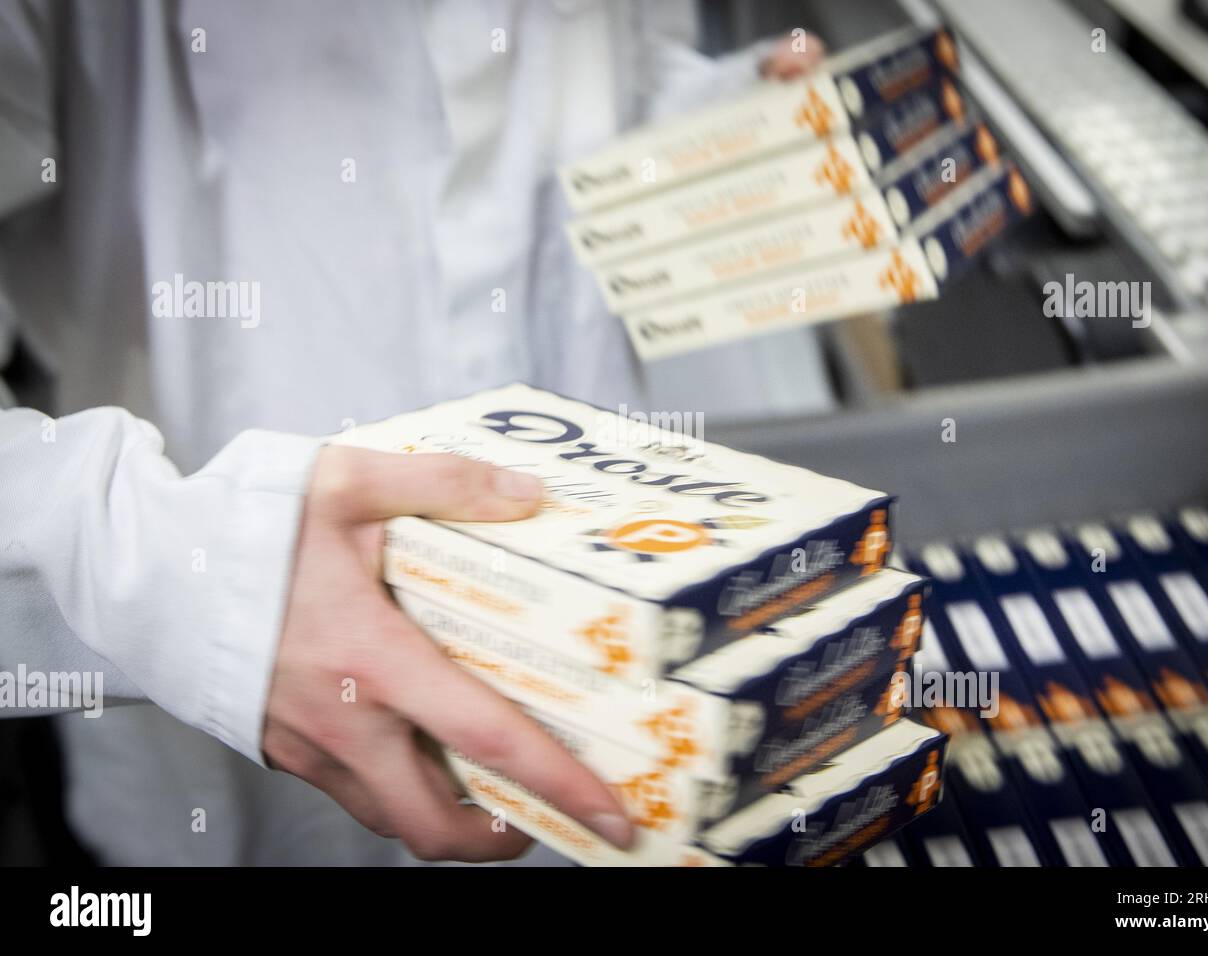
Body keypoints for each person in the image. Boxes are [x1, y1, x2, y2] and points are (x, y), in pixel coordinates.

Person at [0, 0, 825, 865]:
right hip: (232, 752)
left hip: (593, 647)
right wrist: (180, 579)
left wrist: (713, 138)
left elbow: (605, 82)